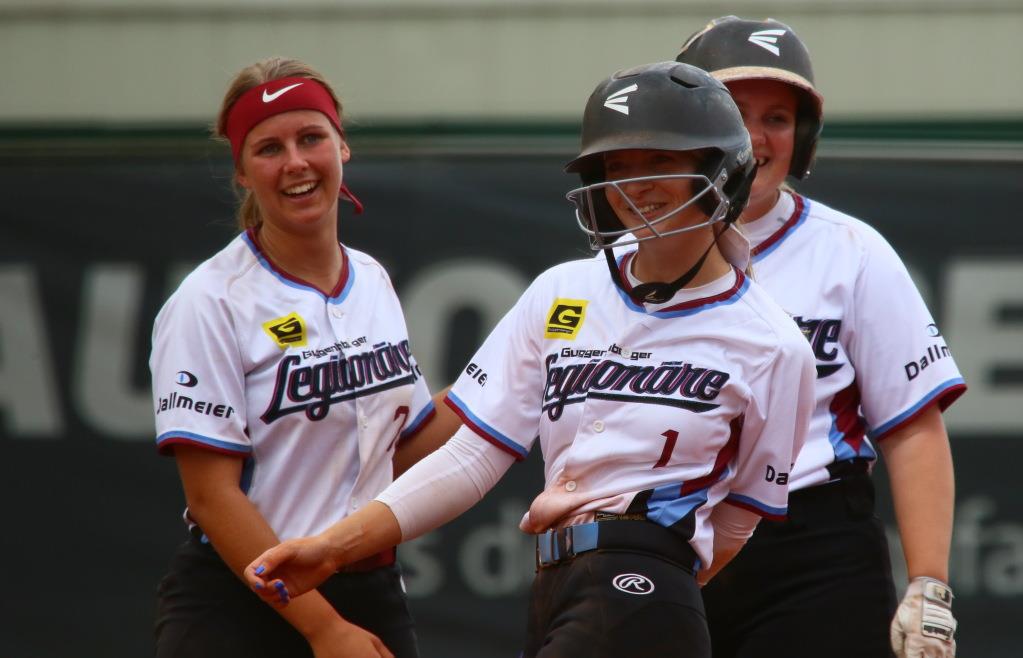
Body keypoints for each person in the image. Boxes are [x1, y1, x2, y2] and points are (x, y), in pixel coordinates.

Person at [241, 61, 817, 658]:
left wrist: (657, 590)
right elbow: (471, 456)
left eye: (659, 160)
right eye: (617, 166)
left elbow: (738, 521)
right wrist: (335, 546)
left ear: (720, 168)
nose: (636, 184)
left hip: (645, 589)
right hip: (553, 586)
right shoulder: (560, 290)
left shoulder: (773, 343)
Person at [673, 16, 965, 658]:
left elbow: (912, 427)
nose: (755, 136)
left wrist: (929, 585)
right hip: (664, 540)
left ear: (802, 138)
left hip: (810, 549)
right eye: (733, 112)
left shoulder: (852, 250)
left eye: (778, 117)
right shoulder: (627, 263)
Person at [150, 57, 457, 658]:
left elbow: (405, 445)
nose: (295, 162)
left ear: (342, 147)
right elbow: (212, 498)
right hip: (242, 602)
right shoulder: (209, 300)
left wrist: (519, 368)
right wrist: (323, 629)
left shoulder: (369, 278)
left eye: (311, 137)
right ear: (241, 172)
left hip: (366, 589)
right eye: (268, 148)